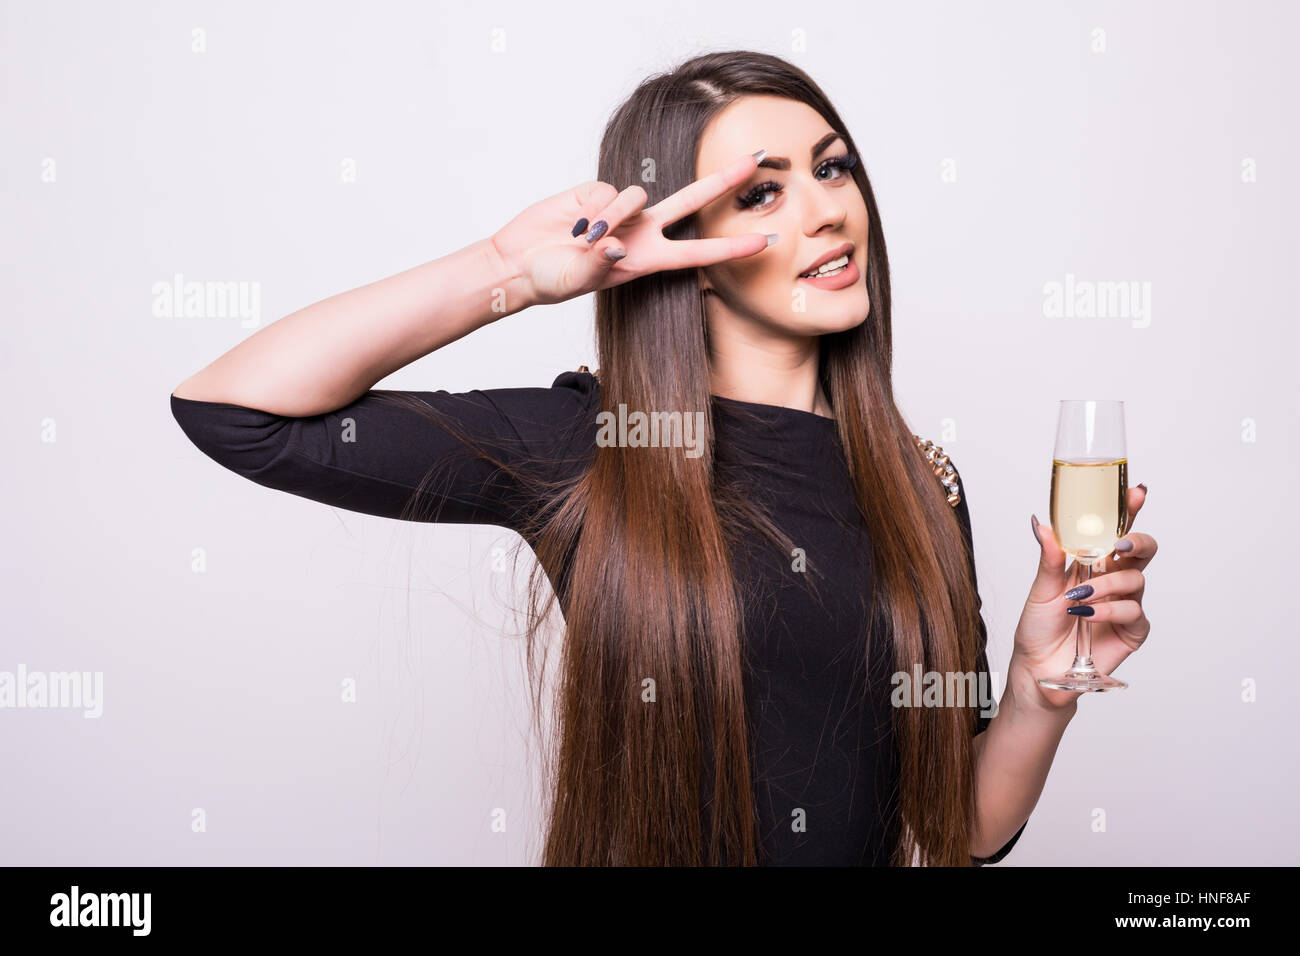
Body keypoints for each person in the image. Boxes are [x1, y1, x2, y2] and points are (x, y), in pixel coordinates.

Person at [170, 50, 1156, 866]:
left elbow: (959, 831)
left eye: (832, 167)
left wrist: (1038, 686)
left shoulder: (922, 483)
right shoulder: (595, 448)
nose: (823, 211)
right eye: (762, 192)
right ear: (682, 244)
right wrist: (506, 273)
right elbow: (235, 412)